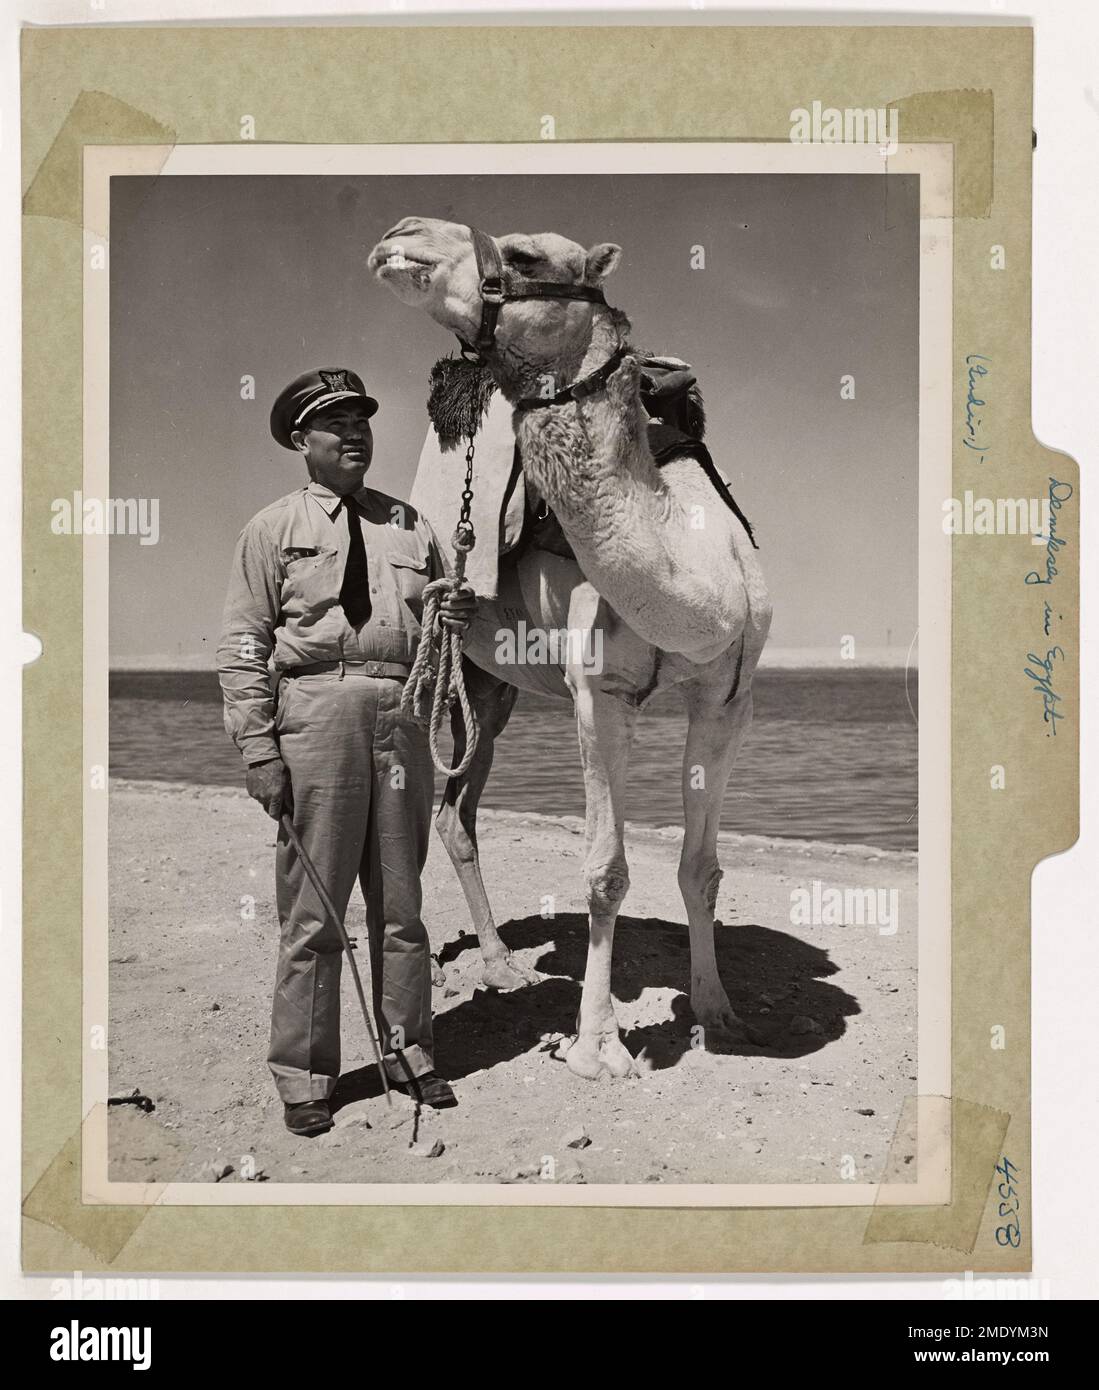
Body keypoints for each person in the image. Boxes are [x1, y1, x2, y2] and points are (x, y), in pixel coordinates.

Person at [216, 368, 475, 1137]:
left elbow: (444, 624)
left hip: (401, 708)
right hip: (314, 709)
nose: (354, 433)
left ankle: (410, 1053)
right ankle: (305, 1075)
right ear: (302, 441)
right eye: (333, 423)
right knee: (314, 911)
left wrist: (454, 609)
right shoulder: (270, 529)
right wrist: (259, 750)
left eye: (360, 419)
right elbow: (241, 645)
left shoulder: (411, 523)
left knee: (402, 907)